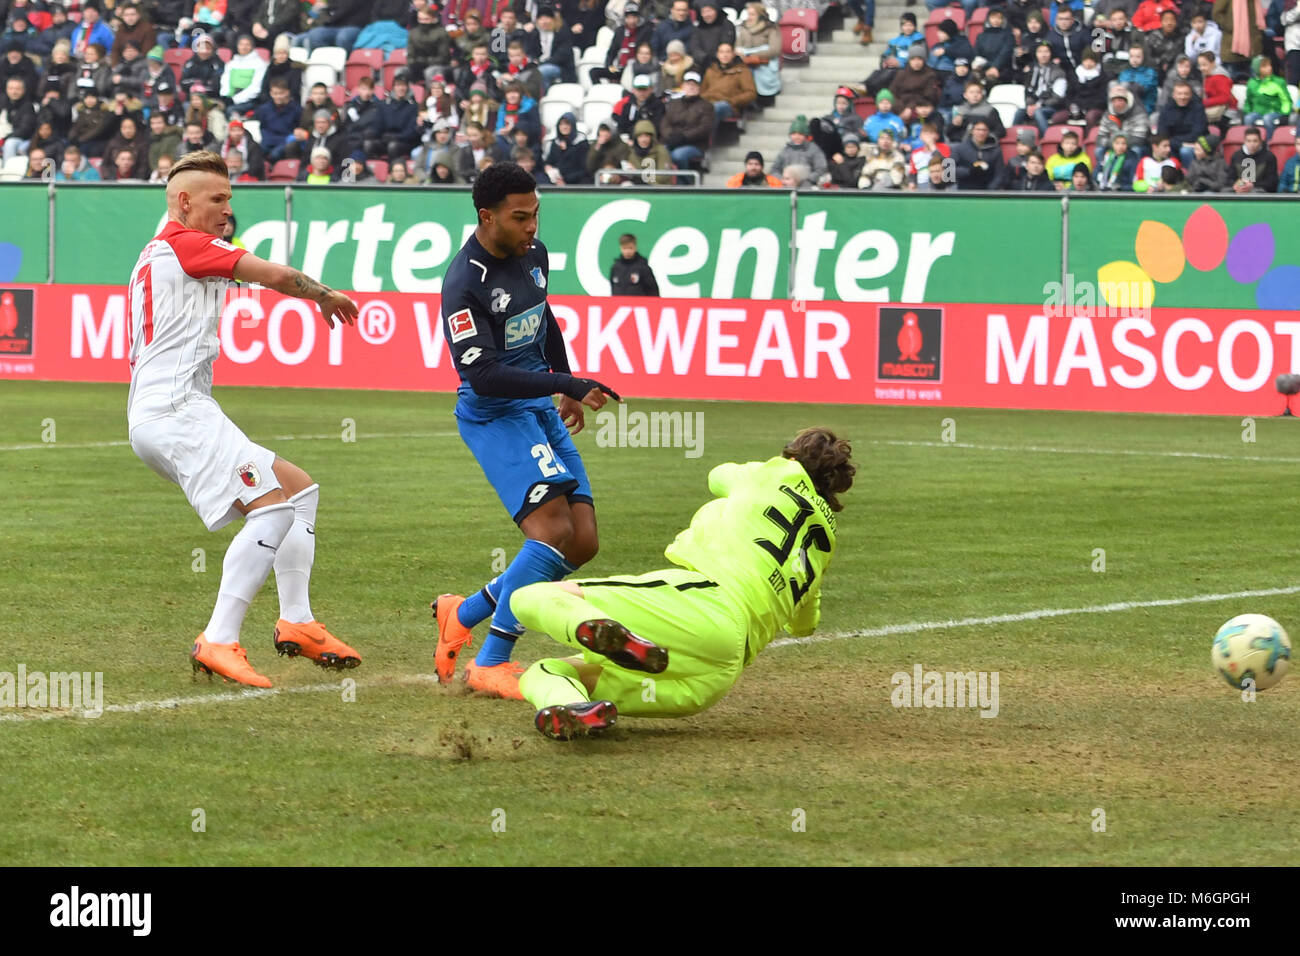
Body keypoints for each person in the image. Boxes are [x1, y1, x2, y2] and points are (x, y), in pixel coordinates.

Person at [126, 150, 360, 688]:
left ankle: (297, 621)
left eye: (230, 199)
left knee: (299, 489)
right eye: (217, 199)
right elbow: (275, 275)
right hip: (176, 410)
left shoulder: (172, 250)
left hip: (174, 409)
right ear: (184, 202)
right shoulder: (186, 244)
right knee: (272, 510)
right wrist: (324, 296)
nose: (227, 209)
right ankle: (219, 638)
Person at [509, 428, 855, 740]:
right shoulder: (825, 543)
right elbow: (804, 626)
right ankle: (575, 707)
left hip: (707, 604)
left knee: (528, 596)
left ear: (792, 455)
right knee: (545, 671)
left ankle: (595, 629)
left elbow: (717, 477)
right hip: (715, 673)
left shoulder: (775, 473)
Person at [431, 162, 622, 700]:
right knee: (553, 530)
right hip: (494, 412)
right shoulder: (464, 282)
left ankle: (462, 611)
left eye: (536, 214)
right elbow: (484, 375)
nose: (532, 227)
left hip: (537, 404)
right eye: (520, 218)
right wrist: (570, 381)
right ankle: (490, 661)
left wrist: (562, 385)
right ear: (487, 217)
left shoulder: (532, 255)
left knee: (582, 543)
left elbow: (544, 317)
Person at [659, 69, 712, 170]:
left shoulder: (706, 106)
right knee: (660, 153)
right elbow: (665, 122)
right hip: (671, 140)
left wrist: (683, 137)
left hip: (695, 144)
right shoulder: (674, 103)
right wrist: (670, 136)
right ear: (683, 86)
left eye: (694, 84)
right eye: (688, 84)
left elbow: (705, 128)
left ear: (699, 87)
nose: (691, 87)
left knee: (677, 156)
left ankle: (685, 182)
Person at [1243, 54, 1292, 138]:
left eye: (1269, 65)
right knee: (1248, 118)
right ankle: (1251, 141)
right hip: (1258, 112)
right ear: (1257, 69)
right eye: (1264, 66)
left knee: (1267, 119)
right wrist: (1248, 111)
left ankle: (1270, 143)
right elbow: (1249, 100)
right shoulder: (1251, 83)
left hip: (1275, 111)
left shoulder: (1279, 82)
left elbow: (1286, 100)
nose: (1269, 68)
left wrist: (1285, 114)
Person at [1230, 125, 1280, 191]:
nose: (1252, 144)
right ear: (1244, 142)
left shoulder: (1269, 157)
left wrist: (1252, 185)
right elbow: (1229, 178)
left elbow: (1272, 182)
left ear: (1260, 141)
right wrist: (1236, 184)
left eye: (1255, 141)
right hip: (1239, 190)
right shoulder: (1236, 156)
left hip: (1260, 192)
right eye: (1249, 141)